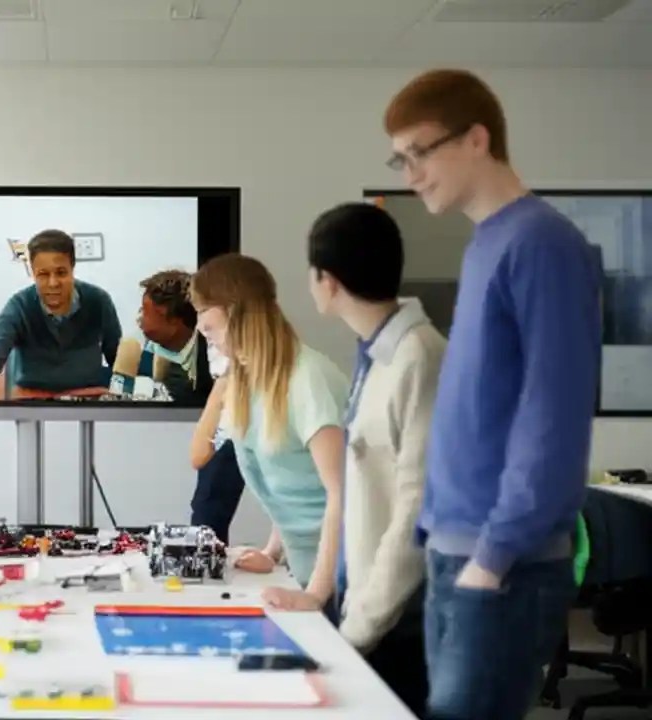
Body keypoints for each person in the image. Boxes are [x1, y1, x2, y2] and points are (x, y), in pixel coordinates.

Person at [384, 69, 601, 719]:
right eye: (400, 159)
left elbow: (553, 416)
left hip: (499, 564)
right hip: (453, 551)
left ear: (476, 139)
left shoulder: (542, 242)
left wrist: (494, 557)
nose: (410, 175)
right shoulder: (485, 245)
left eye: (419, 152)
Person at [306, 202, 442, 716]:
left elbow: (415, 513)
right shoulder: (376, 354)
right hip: (367, 605)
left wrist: (358, 631)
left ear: (327, 280)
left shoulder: (419, 356)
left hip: (399, 618)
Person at [189, 254, 349, 598]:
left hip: (345, 580)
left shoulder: (309, 379)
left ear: (236, 310)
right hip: (306, 571)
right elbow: (284, 478)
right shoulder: (249, 381)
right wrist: (272, 552)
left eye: (205, 312)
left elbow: (342, 492)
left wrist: (316, 596)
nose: (201, 327)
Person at [137, 269, 245, 544]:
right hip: (226, 424)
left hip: (237, 424)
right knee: (207, 505)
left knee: (210, 505)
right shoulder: (160, 352)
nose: (138, 319)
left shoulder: (220, 348)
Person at [0, 229, 122, 399]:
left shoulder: (98, 301)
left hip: (87, 399)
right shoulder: (20, 306)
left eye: (61, 273)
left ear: (72, 269)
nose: (53, 283)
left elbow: (118, 359)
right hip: (34, 401)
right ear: (33, 273)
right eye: (43, 274)